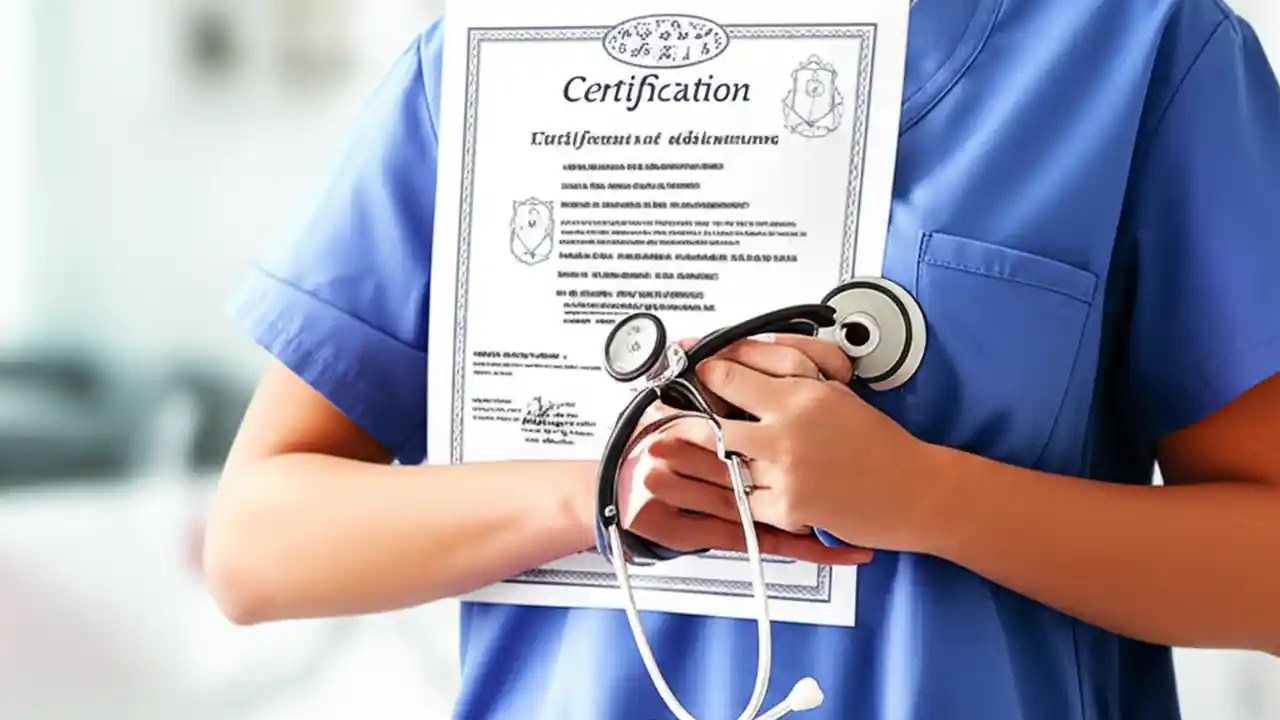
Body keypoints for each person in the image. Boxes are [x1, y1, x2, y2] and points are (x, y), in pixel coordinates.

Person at [204, 0, 1280, 718]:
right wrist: (596, 491)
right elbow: (256, 547)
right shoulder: (495, 62)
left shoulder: (1133, 48)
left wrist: (924, 496)